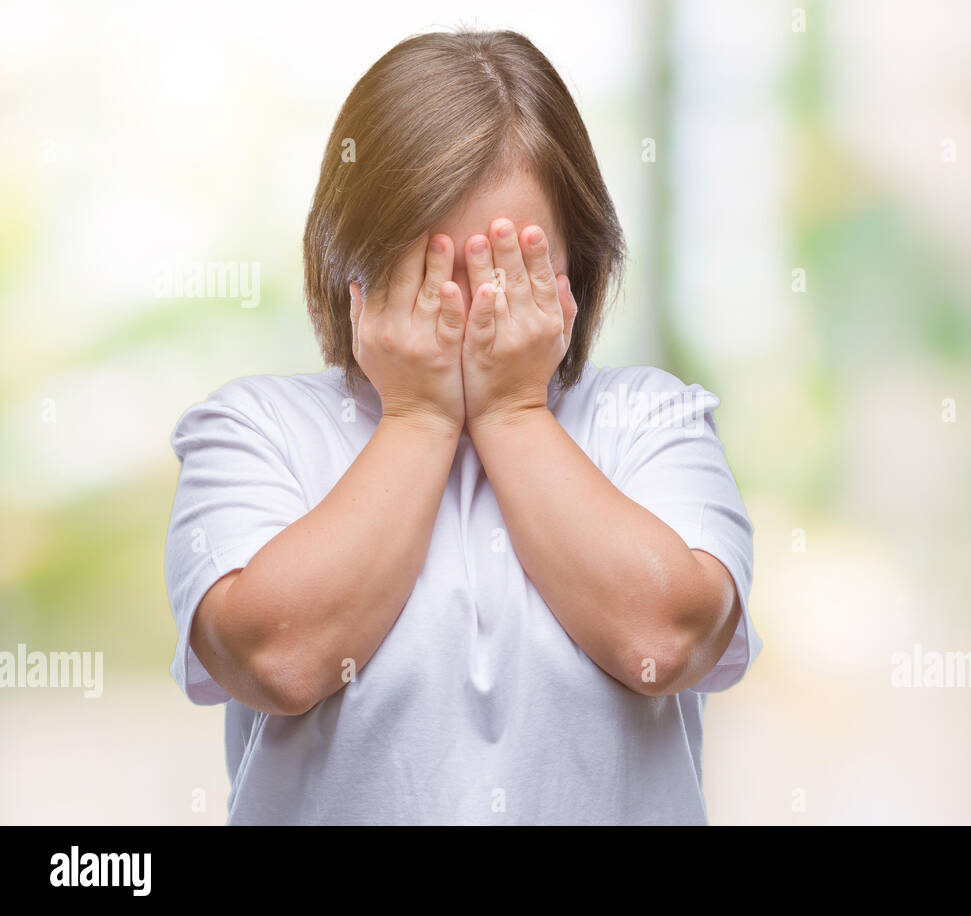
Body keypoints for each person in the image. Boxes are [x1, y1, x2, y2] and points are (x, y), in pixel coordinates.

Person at [163, 28, 760, 825]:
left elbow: (665, 638)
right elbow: (279, 659)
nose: (469, 306)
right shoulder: (252, 429)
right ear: (356, 269)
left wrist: (514, 412)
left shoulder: (654, 417)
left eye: (508, 269)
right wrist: (418, 414)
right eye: (434, 275)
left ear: (576, 269)